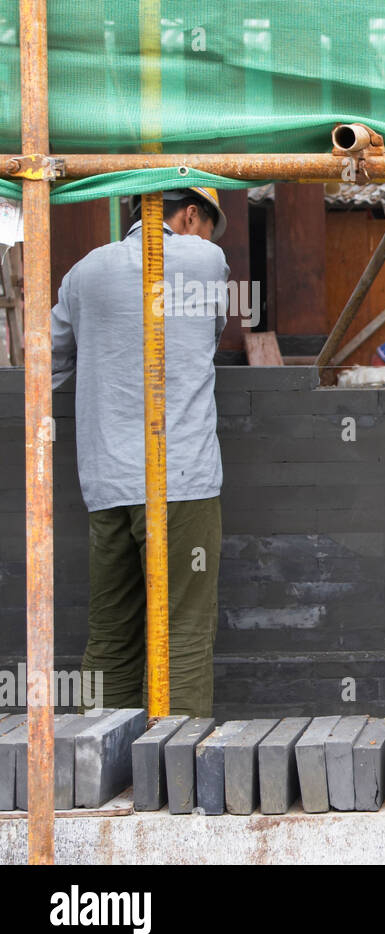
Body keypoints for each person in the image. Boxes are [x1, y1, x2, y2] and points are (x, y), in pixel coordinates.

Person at [51, 187, 230, 717]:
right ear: (192, 213)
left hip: (107, 483)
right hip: (183, 480)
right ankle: (175, 778)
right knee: (183, 632)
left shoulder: (84, 272)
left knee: (111, 634)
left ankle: (97, 768)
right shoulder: (205, 258)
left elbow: (51, 358)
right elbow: (210, 333)